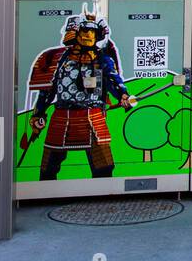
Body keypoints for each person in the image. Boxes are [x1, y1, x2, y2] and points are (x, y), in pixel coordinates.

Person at [31, 12, 133, 179]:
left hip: (93, 116)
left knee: (104, 165)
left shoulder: (102, 59)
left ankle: (104, 192)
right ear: (75, 32)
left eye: (93, 32)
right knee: (48, 166)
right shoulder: (57, 59)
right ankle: (46, 190)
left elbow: (113, 79)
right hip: (62, 116)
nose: (89, 35)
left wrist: (123, 95)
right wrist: (39, 113)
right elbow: (48, 89)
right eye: (85, 31)